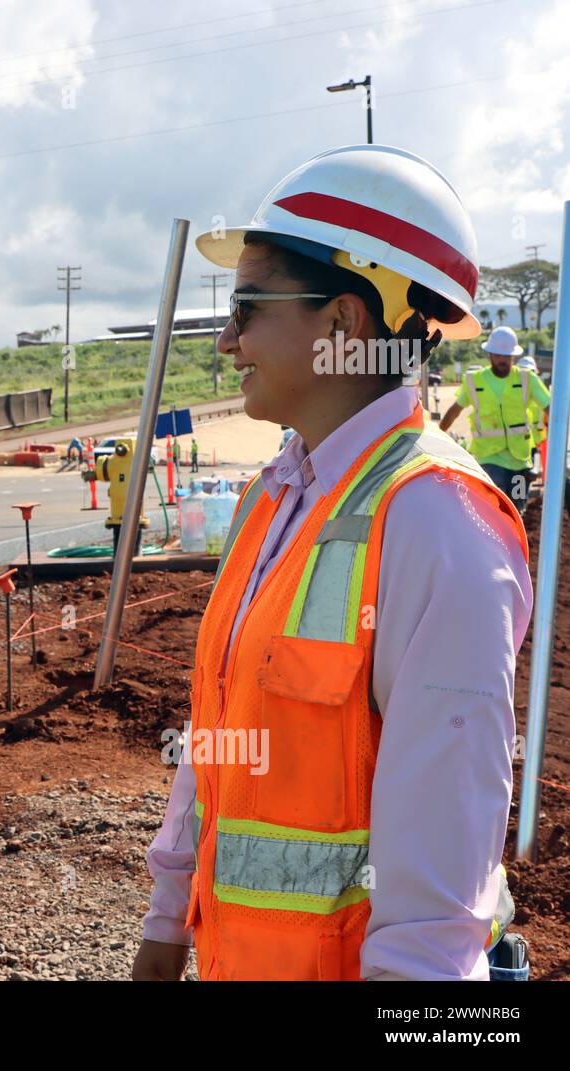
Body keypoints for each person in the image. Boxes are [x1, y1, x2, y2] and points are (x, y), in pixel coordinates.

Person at [132, 144, 532, 981]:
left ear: (345, 326)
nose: (228, 340)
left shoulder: (439, 524)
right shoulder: (275, 497)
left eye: (247, 307)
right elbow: (223, 735)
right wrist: (168, 921)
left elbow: (438, 894)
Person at [439, 327, 550, 514]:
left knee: (518, 508)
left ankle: (515, 542)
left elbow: (551, 409)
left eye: (506, 356)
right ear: (490, 354)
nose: (502, 360)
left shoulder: (527, 379)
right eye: (498, 355)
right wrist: (439, 435)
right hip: (489, 458)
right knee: (495, 509)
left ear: (513, 356)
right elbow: (455, 410)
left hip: (521, 461)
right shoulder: (475, 381)